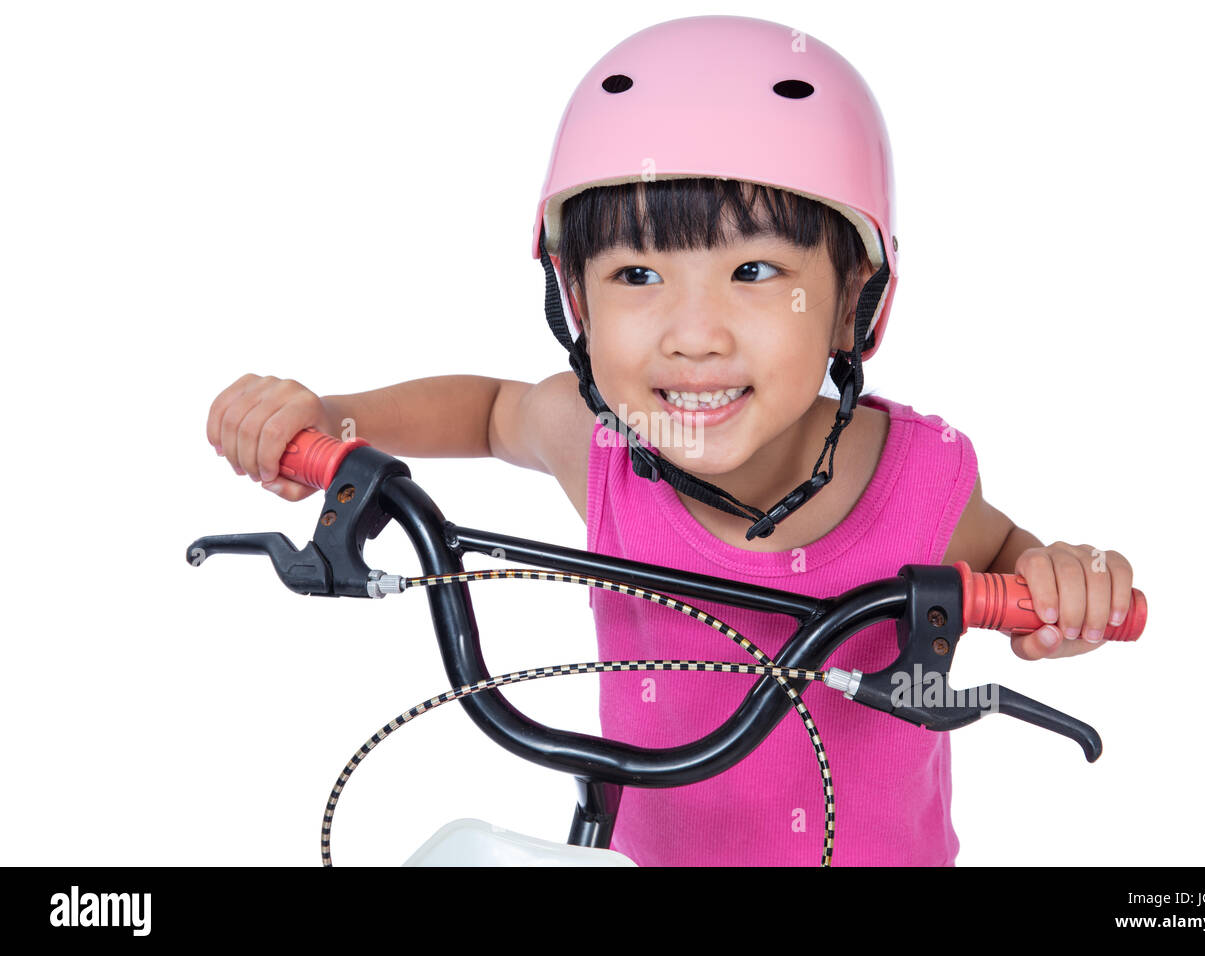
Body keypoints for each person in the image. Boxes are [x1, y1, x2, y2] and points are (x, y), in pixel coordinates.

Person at [205, 15, 1137, 866]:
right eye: (639, 273)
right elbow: (491, 411)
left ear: (854, 298)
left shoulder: (916, 482)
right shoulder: (603, 448)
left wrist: (1056, 582)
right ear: (575, 301)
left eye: (756, 270)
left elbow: (1009, 556)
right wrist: (334, 417)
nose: (694, 334)